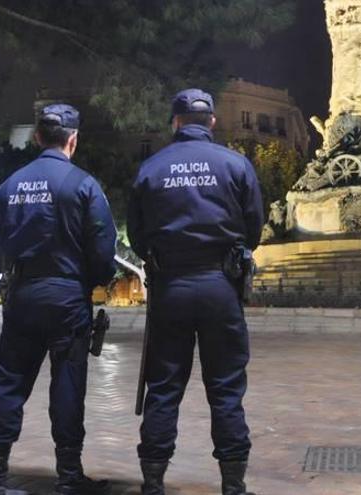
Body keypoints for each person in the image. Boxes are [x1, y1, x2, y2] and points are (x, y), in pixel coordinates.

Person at [127, 89, 264, 495]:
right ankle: (233, 486)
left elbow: (137, 233)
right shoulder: (236, 165)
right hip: (220, 286)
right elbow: (253, 227)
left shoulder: (151, 168)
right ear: (212, 123)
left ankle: (153, 483)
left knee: (164, 386)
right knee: (225, 388)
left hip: (171, 288)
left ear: (175, 122)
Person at [0, 103, 117, 495]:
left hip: (23, 295)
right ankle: (69, 476)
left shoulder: (9, 186)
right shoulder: (83, 185)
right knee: (68, 384)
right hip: (67, 297)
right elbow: (103, 248)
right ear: (72, 139)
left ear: (38, 137)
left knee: (10, 381)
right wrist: (93, 281)